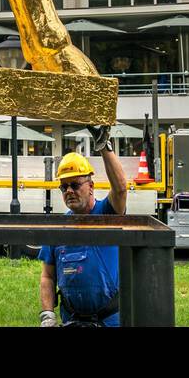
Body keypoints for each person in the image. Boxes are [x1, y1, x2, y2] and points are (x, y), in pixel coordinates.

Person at [38, 129, 128, 327]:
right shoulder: (57, 228)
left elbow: (121, 188)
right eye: (64, 187)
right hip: (72, 320)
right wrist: (47, 314)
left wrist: (104, 145)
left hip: (109, 320)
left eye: (75, 185)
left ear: (91, 186)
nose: (69, 190)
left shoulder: (108, 214)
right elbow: (47, 276)